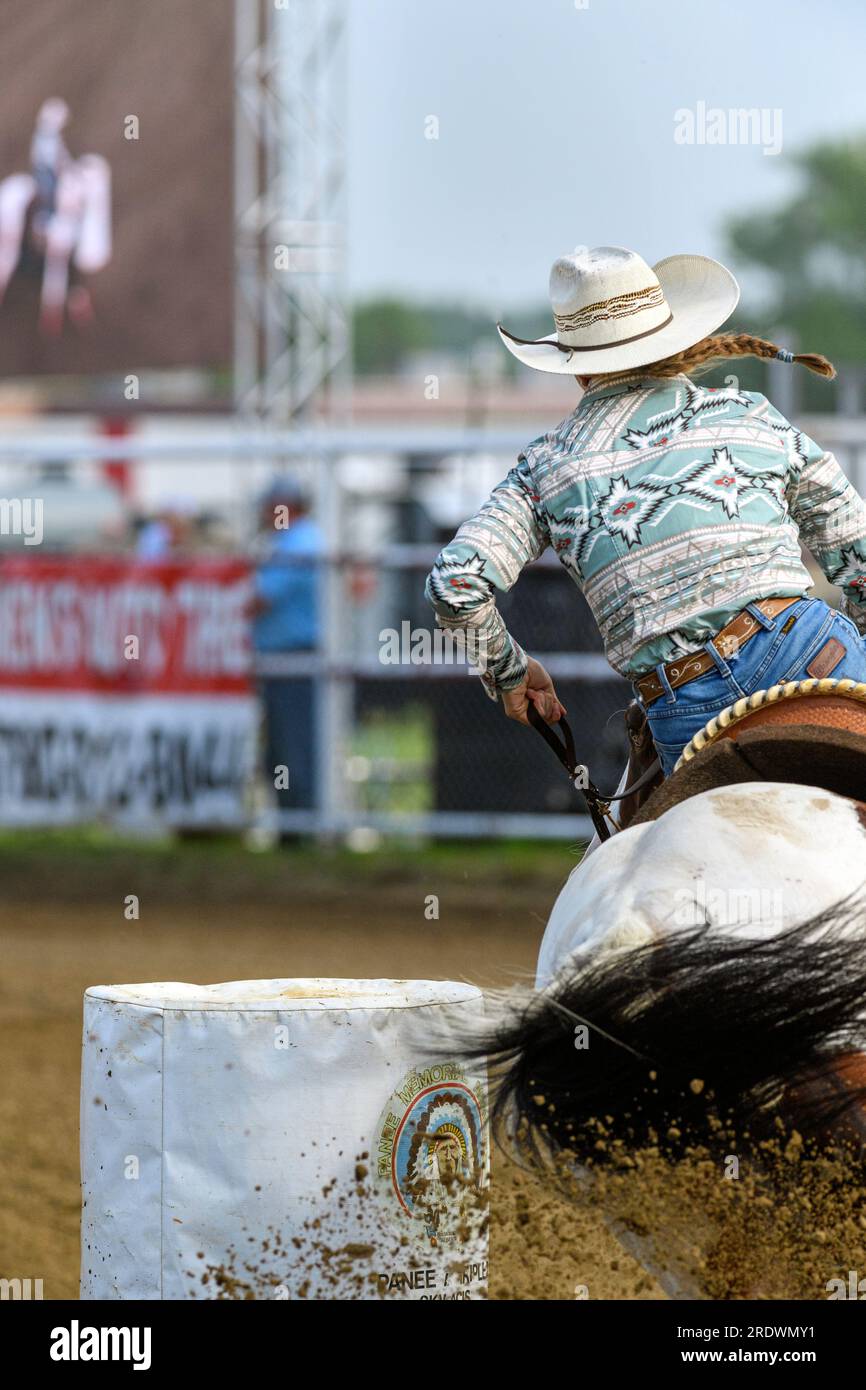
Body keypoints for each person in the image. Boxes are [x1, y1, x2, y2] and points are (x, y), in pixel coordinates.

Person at [425, 244, 866, 776]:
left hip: (687, 697)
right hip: (810, 651)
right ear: (670, 337)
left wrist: (510, 672)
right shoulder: (749, 416)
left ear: (577, 368)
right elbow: (858, 558)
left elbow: (455, 585)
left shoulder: (546, 467)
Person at [252, 478, 322, 823]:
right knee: (284, 746)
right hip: (285, 659)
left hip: (295, 658)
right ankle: (292, 822)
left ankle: (300, 823)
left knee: (293, 746)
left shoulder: (298, 543)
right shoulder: (291, 541)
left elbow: (258, 599)